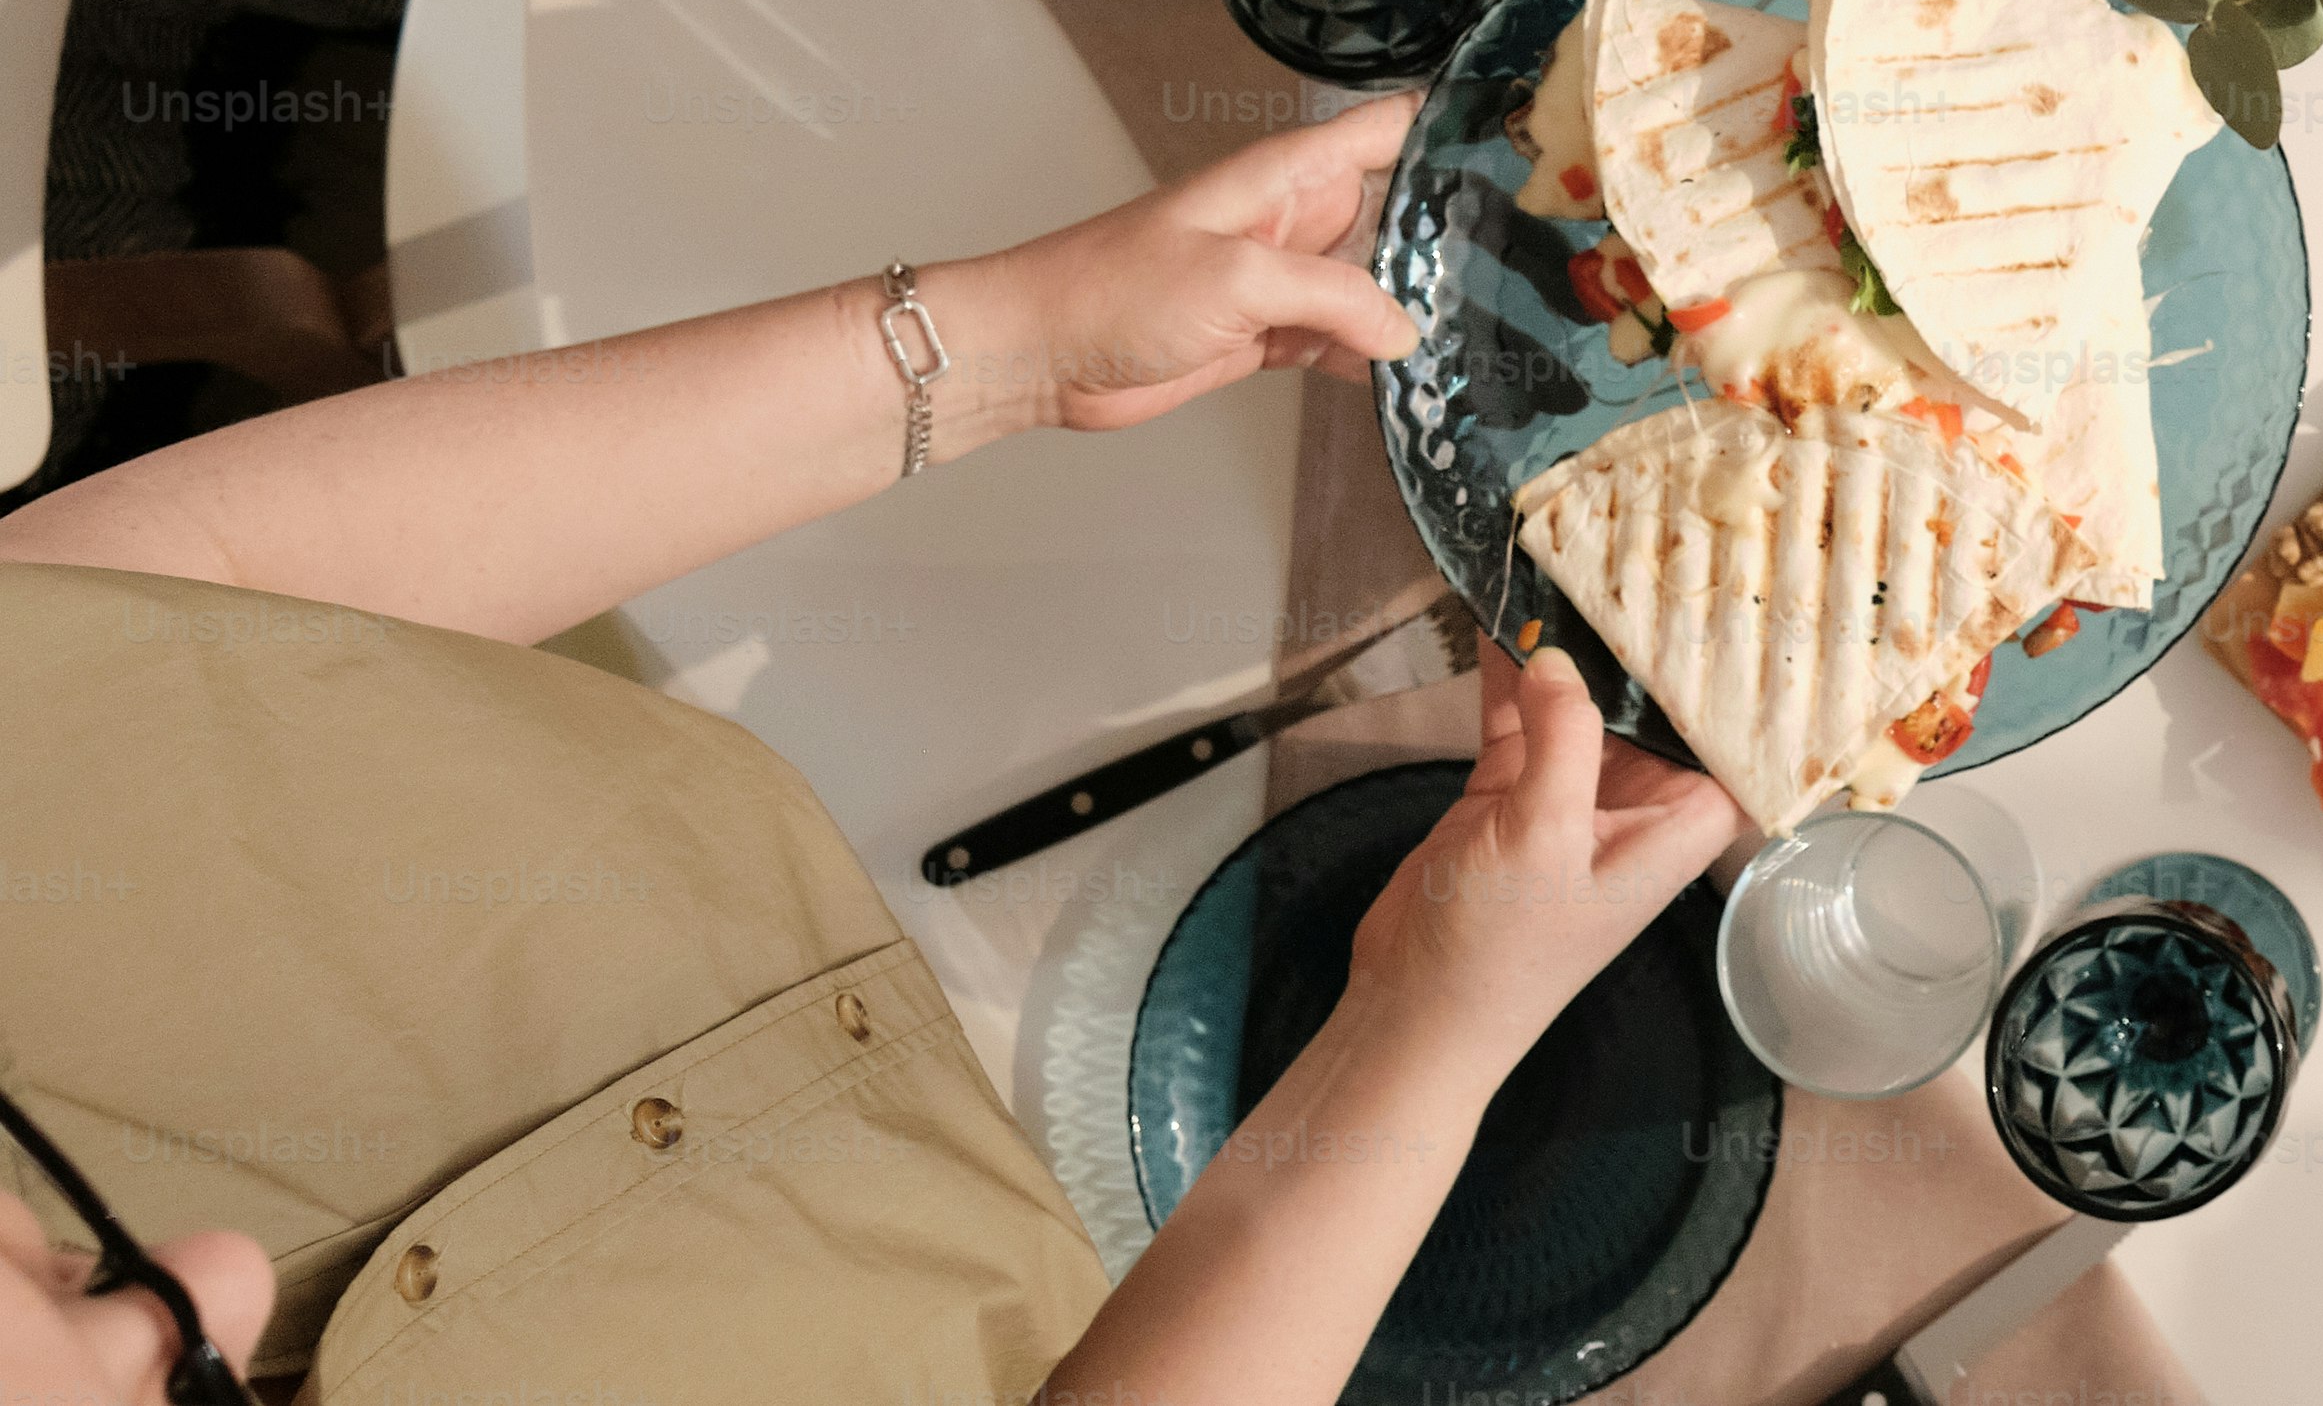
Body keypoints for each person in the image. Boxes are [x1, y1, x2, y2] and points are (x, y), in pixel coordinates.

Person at [0, 101, 1742, 1406]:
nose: (211, 1272)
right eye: (148, 1371)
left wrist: (1006, 346)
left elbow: (183, 614)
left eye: (52, 1247)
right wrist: (1434, 1034)